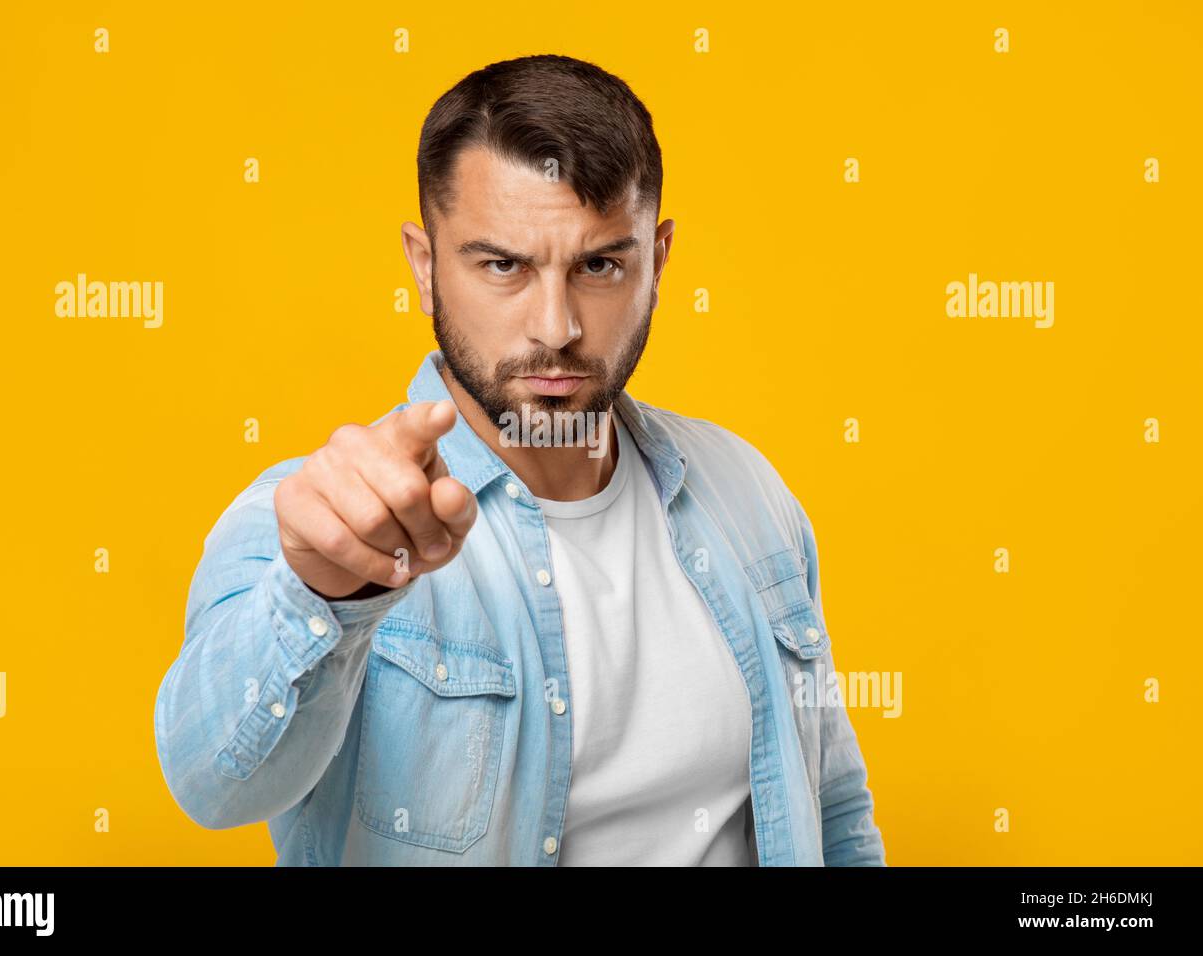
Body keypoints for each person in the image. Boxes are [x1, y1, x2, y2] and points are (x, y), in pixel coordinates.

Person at [154, 53, 886, 866]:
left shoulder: (744, 490)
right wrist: (321, 596)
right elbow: (212, 786)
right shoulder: (323, 521)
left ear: (659, 260)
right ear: (426, 267)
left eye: (600, 265)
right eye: (502, 265)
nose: (555, 326)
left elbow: (833, 806)